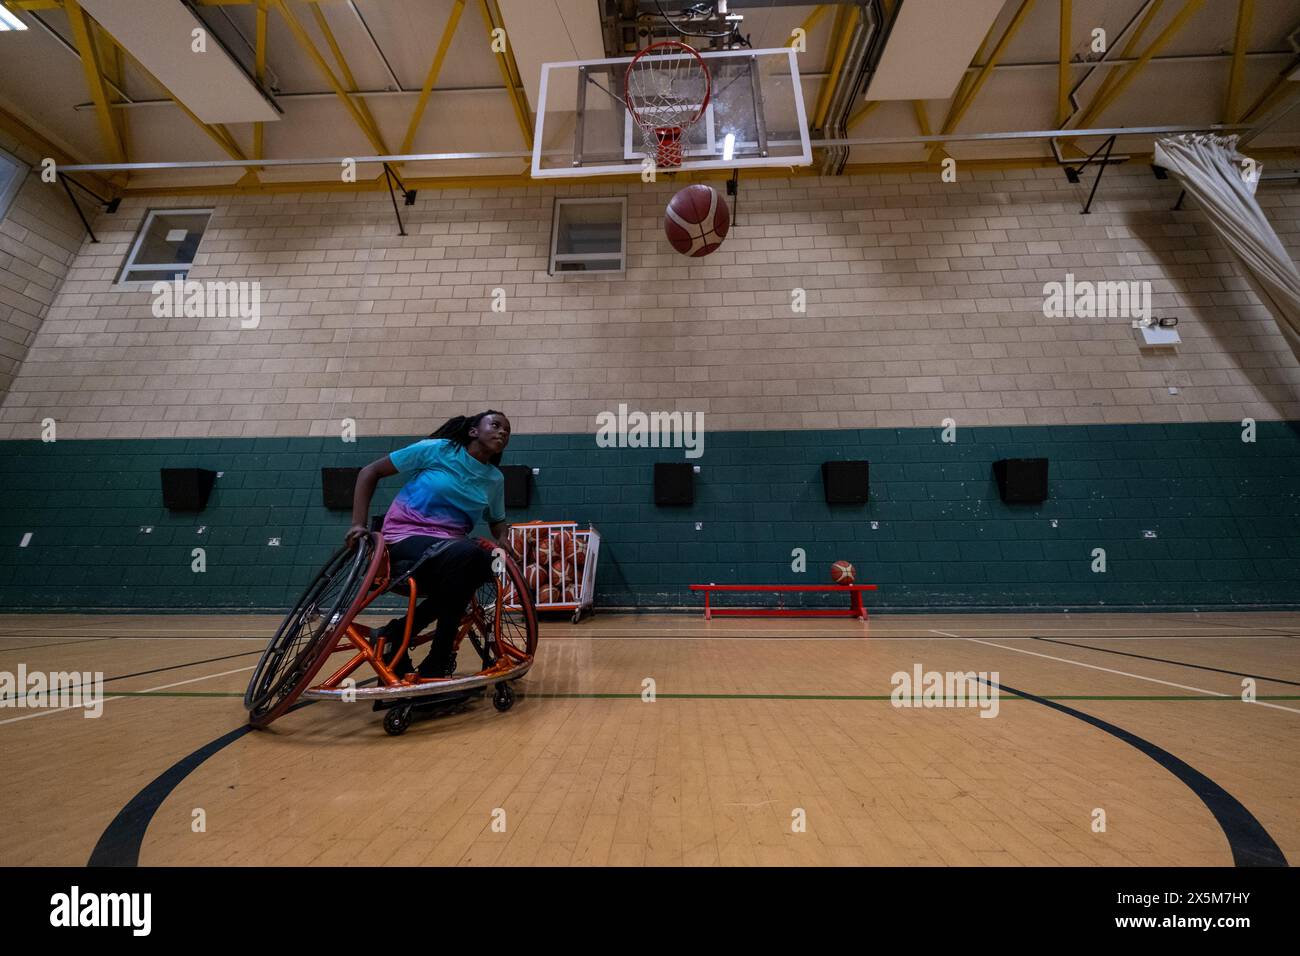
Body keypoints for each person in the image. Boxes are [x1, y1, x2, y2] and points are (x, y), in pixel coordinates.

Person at [346, 410, 516, 681]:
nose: (503, 432)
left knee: (485, 564)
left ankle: (399, 637)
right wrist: (358, 524)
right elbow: (371, 472)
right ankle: (438, 660)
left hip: (451, 553)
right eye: (496, 425)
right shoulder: (438, 450)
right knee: (469, 555)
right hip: (404, 539)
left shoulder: (495, 479)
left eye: (507, 430)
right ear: (474, 431)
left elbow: (497, 520)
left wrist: (503, 537)